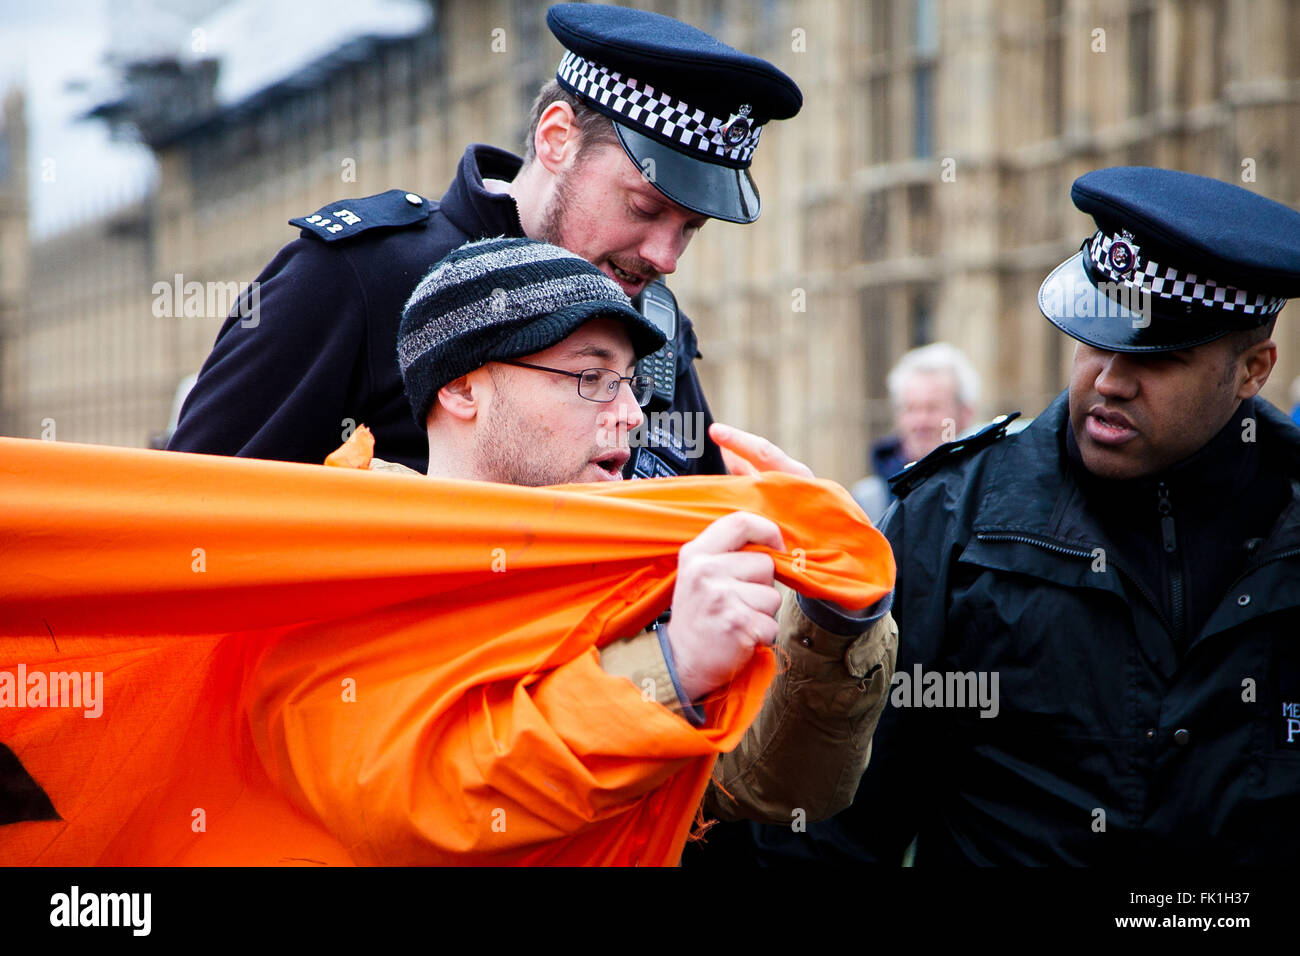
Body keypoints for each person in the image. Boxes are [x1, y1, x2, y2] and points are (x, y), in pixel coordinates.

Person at [754, 166, 1300, 865]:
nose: (1108, 379)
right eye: (1095, 339)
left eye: (1159, 358)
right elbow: (828, 818)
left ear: (1253, 370)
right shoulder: (956, 521)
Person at [313, 236, 898, 862]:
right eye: (591, 377)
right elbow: (412, 804)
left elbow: (769, 790)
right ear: (461, 390)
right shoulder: (349, 565)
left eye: (629, 384)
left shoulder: (633, 565)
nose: (630, 414)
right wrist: (672, 669)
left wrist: (833, 611)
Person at [167, 2, 802, 483]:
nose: (664, 258)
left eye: (690, 229)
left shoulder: (654, 324)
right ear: (557, 140)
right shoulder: (358, 276)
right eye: (644, 207)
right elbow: (194, 512)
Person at [850, 342, 979, 522]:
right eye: (911, 409)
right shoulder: (868, 503)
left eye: (933, 408)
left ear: (965, 414)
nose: (921, 421)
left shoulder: (985, 493)